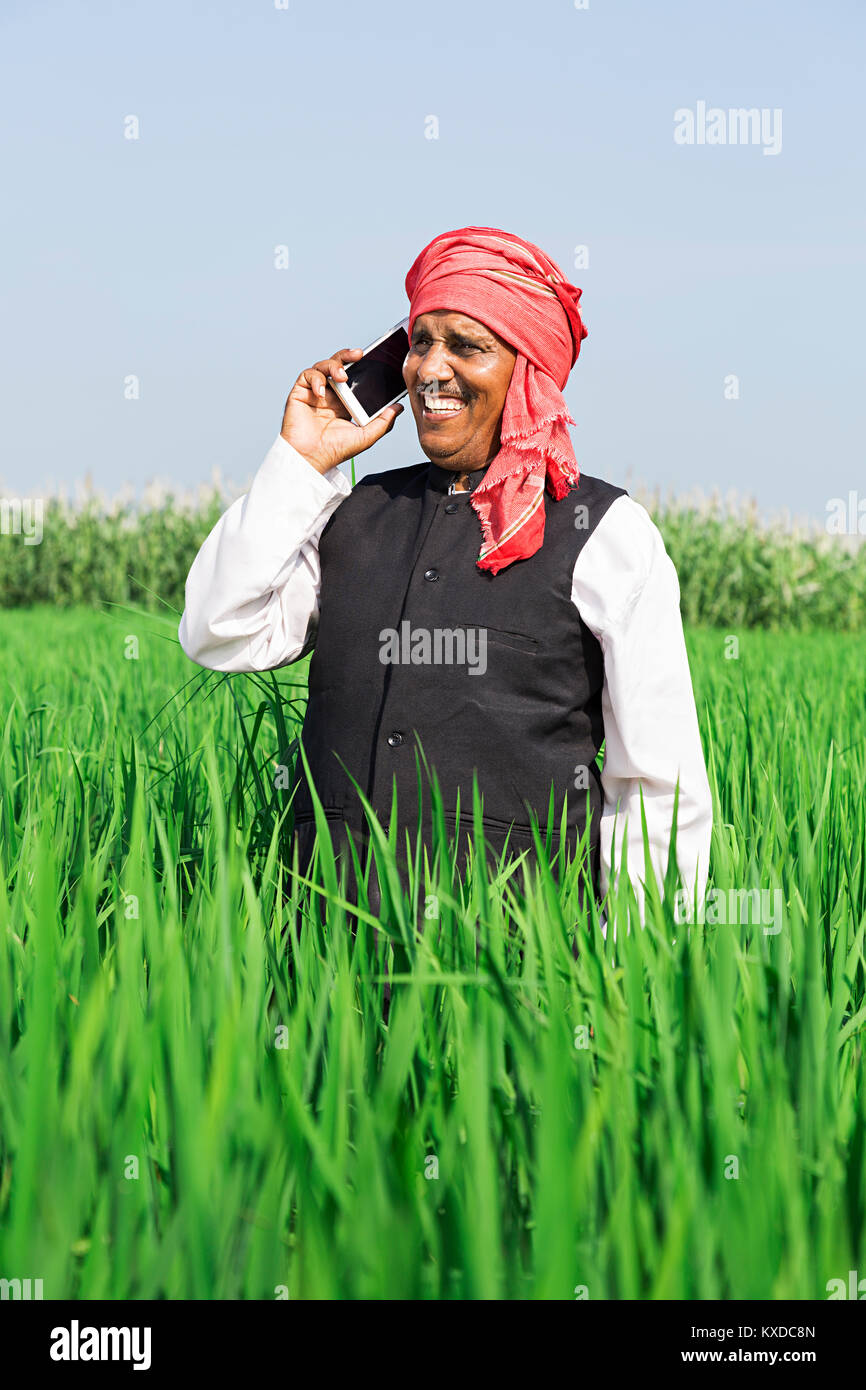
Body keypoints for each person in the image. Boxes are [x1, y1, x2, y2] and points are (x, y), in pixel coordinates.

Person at [178, 225, 713, 927]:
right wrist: (300, 462)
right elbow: (218, 630)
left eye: (466, 346)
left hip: (521, 968)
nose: (430, 369)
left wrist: (635, 968)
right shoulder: (355, 512)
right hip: (324, 956)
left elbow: (657, 788)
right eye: (420, 341)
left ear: (528, 372)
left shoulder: (606, 533)